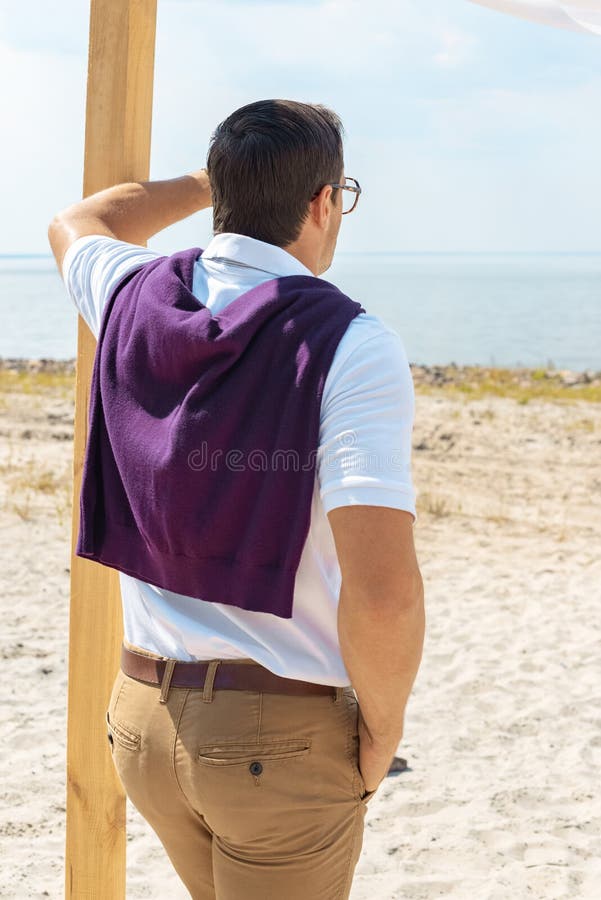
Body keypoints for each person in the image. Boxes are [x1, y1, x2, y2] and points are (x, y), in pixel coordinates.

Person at [48, 99, 425, 900]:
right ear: (323, 202)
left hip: (143, 719)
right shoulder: (350, 343)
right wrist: (379, 733)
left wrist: (207, 177)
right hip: (276, 741)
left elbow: (80, 219)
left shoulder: (126, 292)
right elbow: (384, 592)